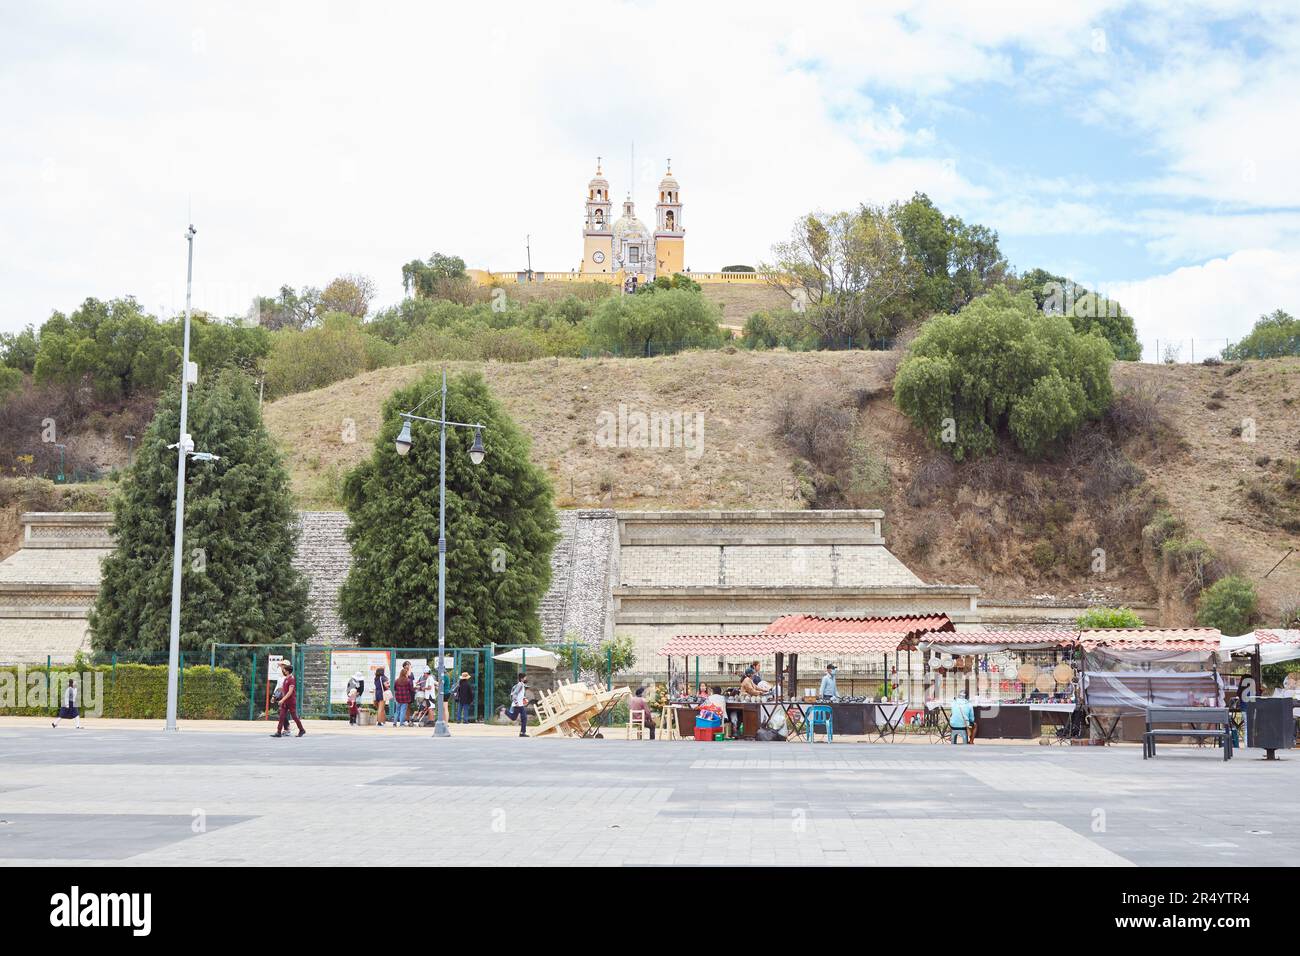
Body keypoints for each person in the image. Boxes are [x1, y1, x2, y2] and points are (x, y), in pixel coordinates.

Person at [271, 661, 305, 738]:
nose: (283, 670)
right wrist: (276, 696)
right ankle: (278, 732)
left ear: (287, 671)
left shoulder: (291, 679)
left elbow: (290, 692)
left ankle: (302, 729)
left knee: (294, 717)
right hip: (285, 701)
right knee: (281, 716)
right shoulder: (285, 679)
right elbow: (282, 689)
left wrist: (282, 700)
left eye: (284, 670)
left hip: (291, 701)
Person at [508, 673, 529, 737]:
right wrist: (516, 702)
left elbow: (519, 695)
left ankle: (503, 710)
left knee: (513, 717)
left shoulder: (522, 685)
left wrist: (524, 698)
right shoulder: (520, 685)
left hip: (519, 704)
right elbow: (515, 694)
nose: (526, 679)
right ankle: (522, 733)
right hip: (518, 704)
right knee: (524, 718)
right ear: (522, 679)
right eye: (525, 678)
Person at [393, 661, 414, 726]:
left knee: (397, 711)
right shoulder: (408, 680)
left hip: (398, 697)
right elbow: (411, 689)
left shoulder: (397, 680)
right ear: (405, 674)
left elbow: (394, 688)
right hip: (405, 697)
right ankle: (401, 723)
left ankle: (394, 723)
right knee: (403, 711)